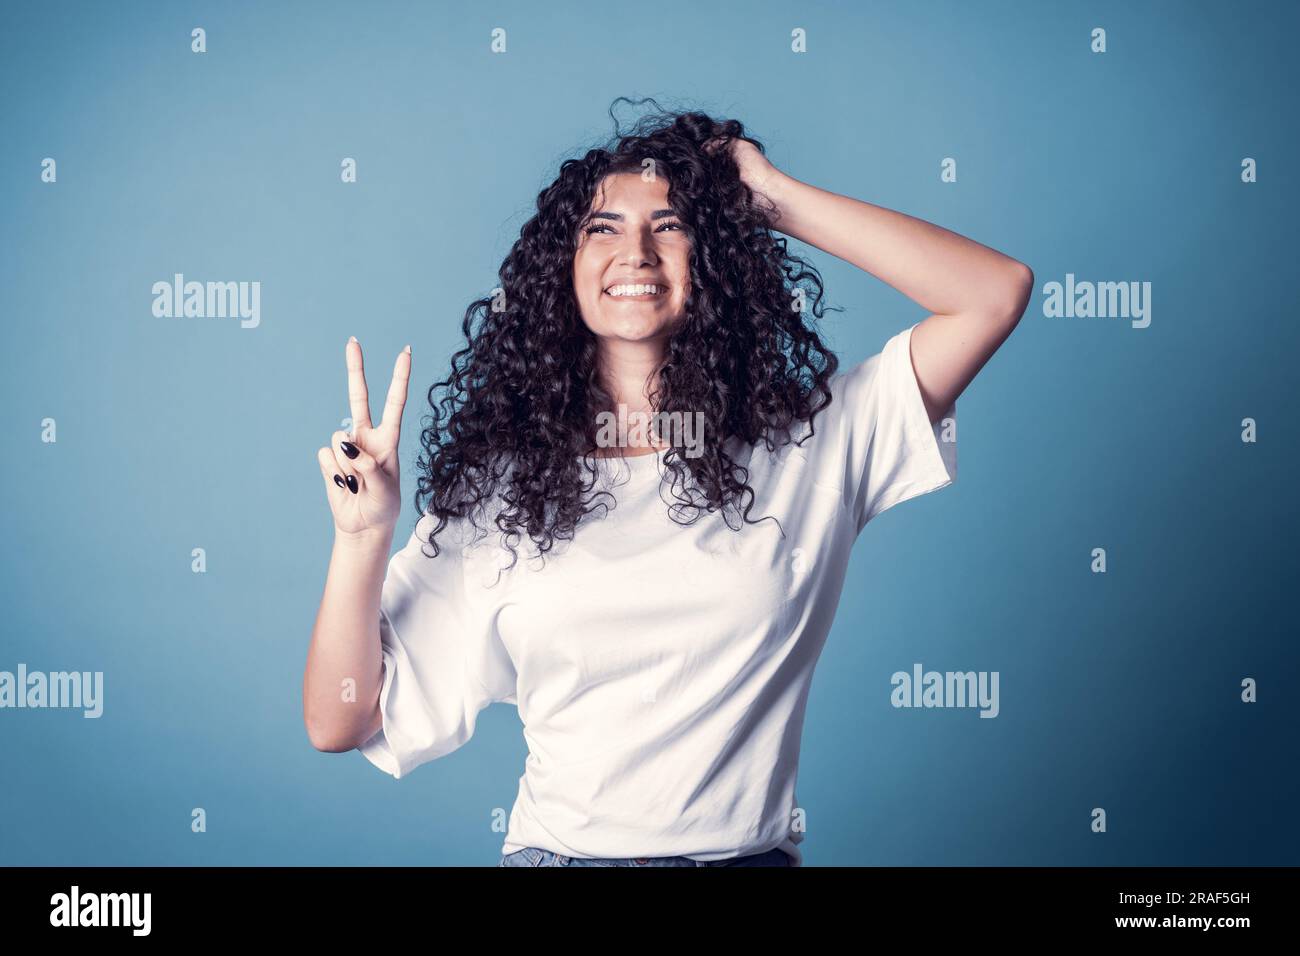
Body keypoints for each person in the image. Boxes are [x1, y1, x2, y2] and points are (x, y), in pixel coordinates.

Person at [302, 103, 1032, 867]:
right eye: (603, 228)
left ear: (714, 257)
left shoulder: (814, 442)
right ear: (565, 267)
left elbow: (994, 292)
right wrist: (361, 539)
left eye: (672, 225)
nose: (637, 251)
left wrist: (767, 195)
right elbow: (338, 722)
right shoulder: (503, 494)